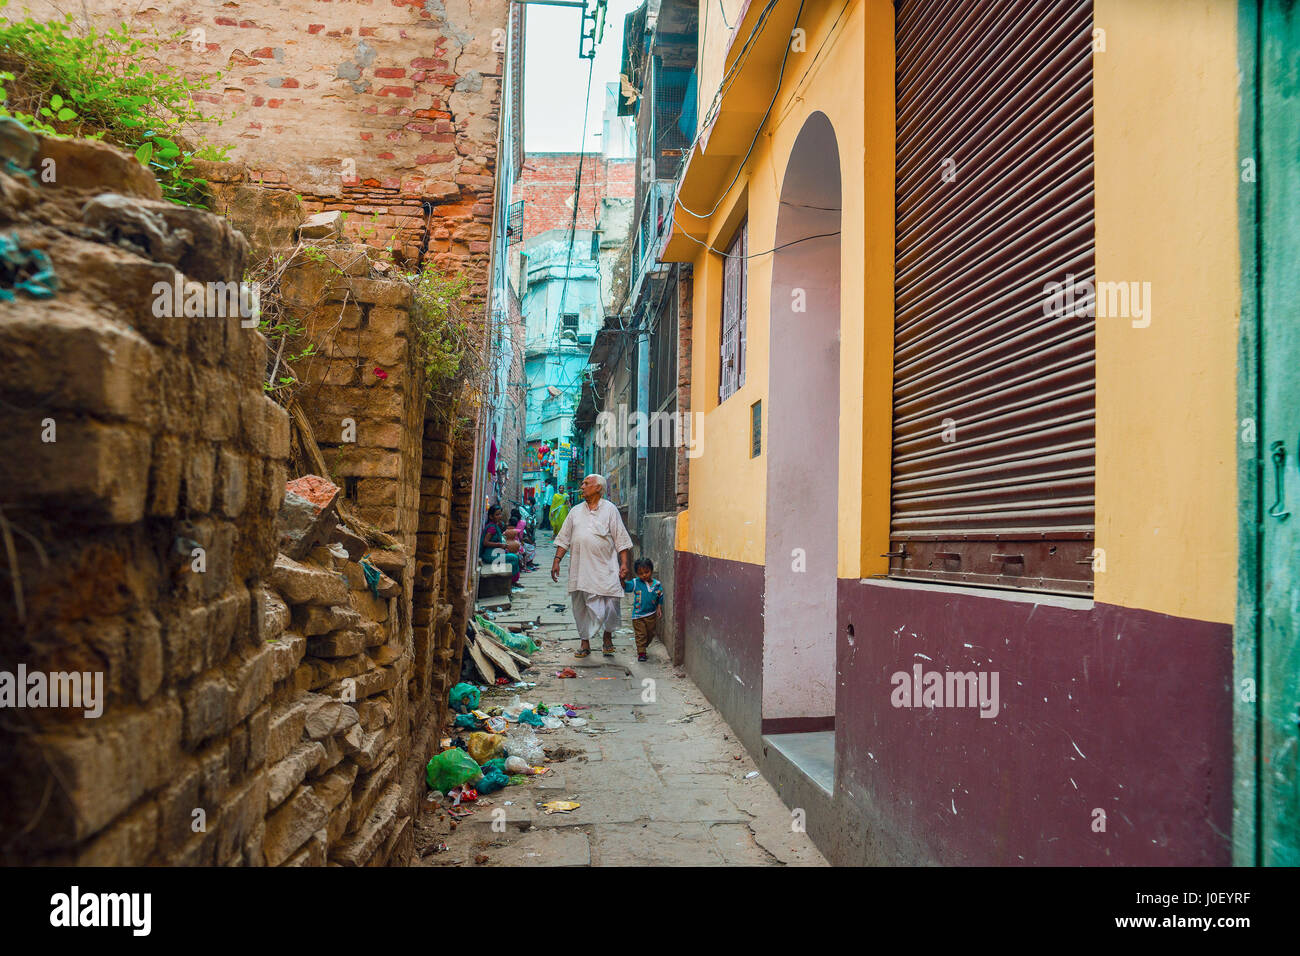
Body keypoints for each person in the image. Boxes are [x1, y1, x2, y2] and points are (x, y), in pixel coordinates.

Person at [552, 474, 632, 658]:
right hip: (580, 568)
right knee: (581, 605)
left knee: (612, 603)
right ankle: (585, 642)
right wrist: (557, 560)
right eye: (582, 483)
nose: (582, 486)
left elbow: (621, 539)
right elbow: (564, 538)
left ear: (598, 488)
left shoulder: (610, 510)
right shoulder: (575, 511)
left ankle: (607, 636)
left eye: (586, 483)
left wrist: (624, 564)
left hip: (606, 567)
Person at [622, 557, 664, 662]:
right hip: (638, 615)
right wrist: (622, 579)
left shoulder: (657, 585)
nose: (644, 575)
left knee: (650, 634)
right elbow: (625, 587)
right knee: (641, 634)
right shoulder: (636, 583)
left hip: (651, 614)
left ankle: (642, 646)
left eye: (646, 572)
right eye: (640, 573)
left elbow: (660, 597)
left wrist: (659, 607)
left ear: (651, 570)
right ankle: (641, 653)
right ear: (636, 574)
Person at [481, 505, 522, 588]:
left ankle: (512, 581)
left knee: (514, 557)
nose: (500, 516)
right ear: (491, 516)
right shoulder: (491, 527)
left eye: (500, 514)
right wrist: (499, 545)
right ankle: (511, 582)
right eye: (497, 515)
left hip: (495, 553)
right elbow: (485, 542)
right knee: (514, 558)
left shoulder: (495, 525)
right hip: (490, 556)